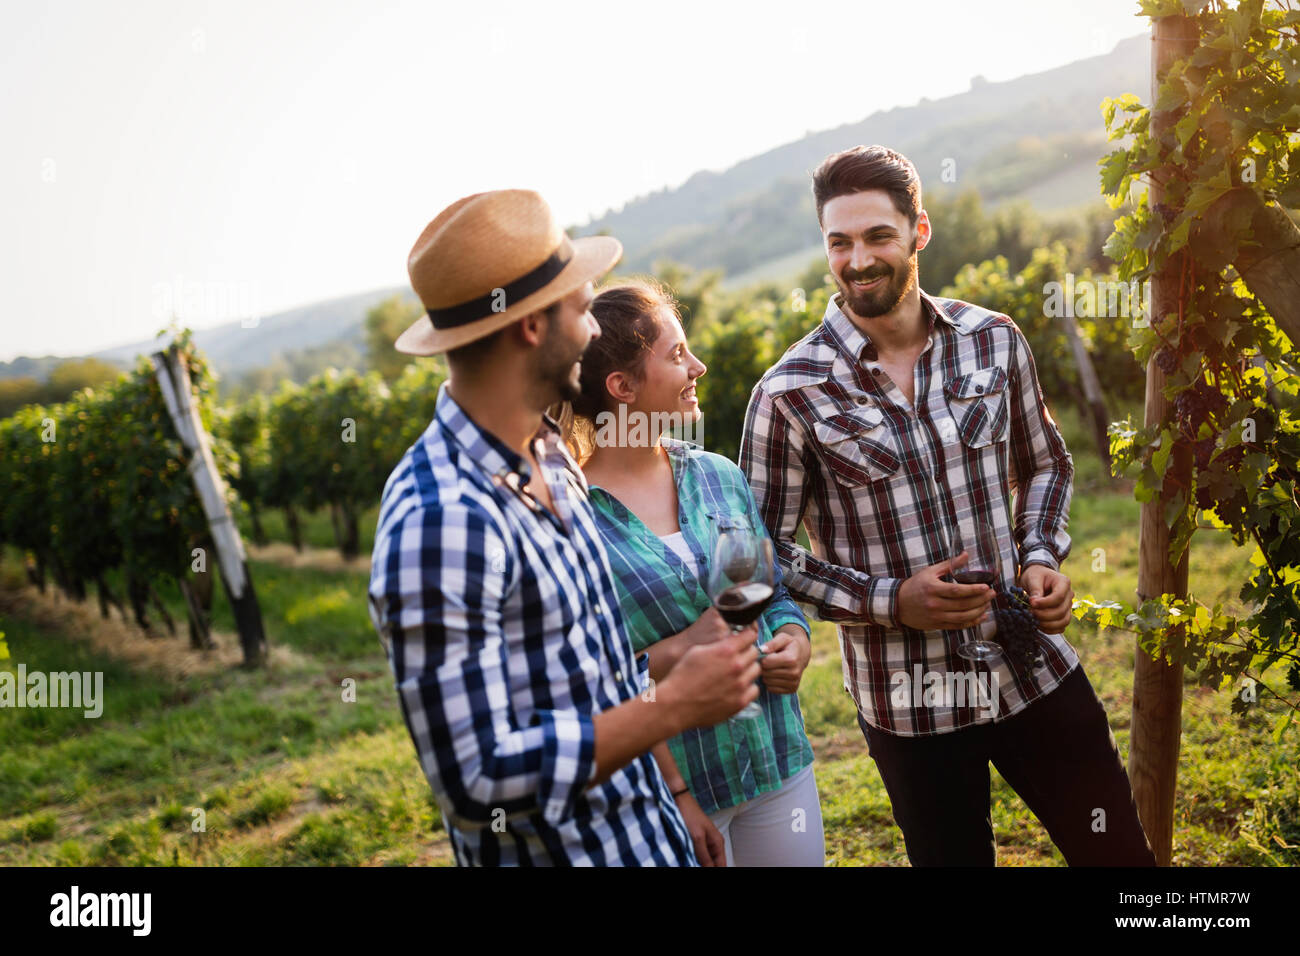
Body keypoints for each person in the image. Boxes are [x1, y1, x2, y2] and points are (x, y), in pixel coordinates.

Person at [739, 145, 1157, 866]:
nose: (858, 259)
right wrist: (889, 599)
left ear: (919, 232)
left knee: (1118, 857)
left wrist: (1040, 557)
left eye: (877, 236)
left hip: (1032, 667)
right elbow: (762, 555)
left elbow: (1047, 463)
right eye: (839, 242)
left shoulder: (993, 340)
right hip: (908, 704)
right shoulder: (788, 393)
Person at [368, 189, 762, 866]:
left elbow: (585, 678)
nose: (590, 330)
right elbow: (476, 780)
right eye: (580, 309)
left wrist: (665, 666)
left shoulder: (551, 454)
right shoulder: (442, 519)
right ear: (530, 327)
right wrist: (670, 708)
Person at [561, 278, 825, 867]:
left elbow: (768, 594)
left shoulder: (716, 476)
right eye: (677, 355)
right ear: (622, 387)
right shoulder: (570, 520)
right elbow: (580, 682)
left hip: (775, 760)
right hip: (669, 796)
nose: (698, 366)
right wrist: (676, 650)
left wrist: (793, 636)